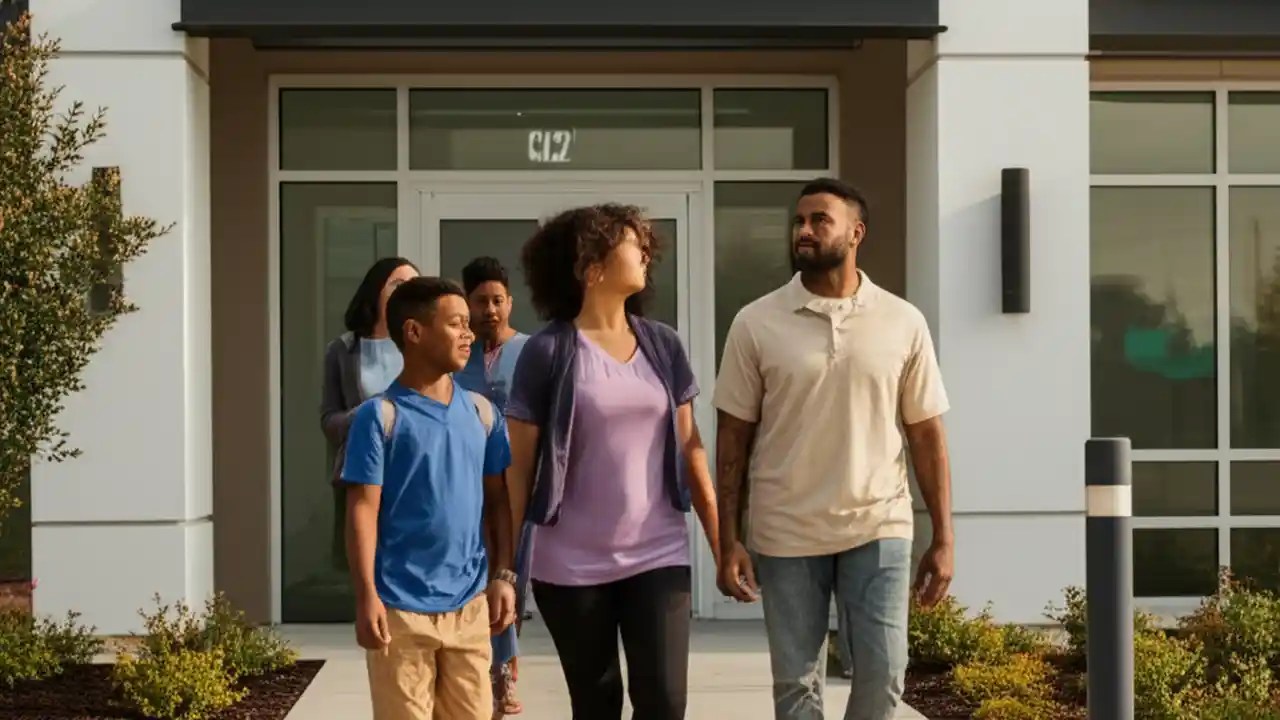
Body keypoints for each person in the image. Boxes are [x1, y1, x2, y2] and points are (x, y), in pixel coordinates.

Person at [713, 178, 954, 720]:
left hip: (878, 526)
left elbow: (926, 435)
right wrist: (727, 539)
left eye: (820, 219)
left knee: (885, 675)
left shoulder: (902, 321)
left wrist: (944, 535)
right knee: (797, 689)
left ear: (856, 232)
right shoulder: (755, 322)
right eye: (798, 220)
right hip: (786, 532)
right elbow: (733, 440)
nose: (803, 230)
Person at [504, 204, 719, 720]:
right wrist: (506, 571)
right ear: (590, 265)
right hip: (571, 565)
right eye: (631, 242)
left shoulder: (662, 344)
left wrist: (722, 539)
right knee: (597, 704)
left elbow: (693, 450)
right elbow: (518, 472)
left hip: (658, 553)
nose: (645, 252)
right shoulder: (547, 351)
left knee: (664, 703)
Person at [342, 276, 519, 720]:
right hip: (399, 613)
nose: (469, 333)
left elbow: (498, 501)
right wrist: (366, 597)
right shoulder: (378, 417)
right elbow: (361, 510)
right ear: (414, 332)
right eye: (456, 323)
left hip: (469, 608)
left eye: (468, 324)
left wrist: (504, 575)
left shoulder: (482, 413)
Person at [454, 256, 531, 717]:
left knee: (511, 576)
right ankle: (496, 671)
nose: (490, 310)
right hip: (472, 487)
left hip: (521, 485)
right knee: (488, 574)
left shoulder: (530, 351)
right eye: (480, 301)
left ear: (510, 302)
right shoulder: (458, 357)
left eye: (497, 300)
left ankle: (504, 665)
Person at [321, 257, 419, 573]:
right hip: (366, 472)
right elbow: (328, 418)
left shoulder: (420, 341)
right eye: (398, 284)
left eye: (413, 285)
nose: (407, 292)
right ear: (376, 291)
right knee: (368, 569)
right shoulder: (342, 350)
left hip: (415, 471)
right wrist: (365, 418)